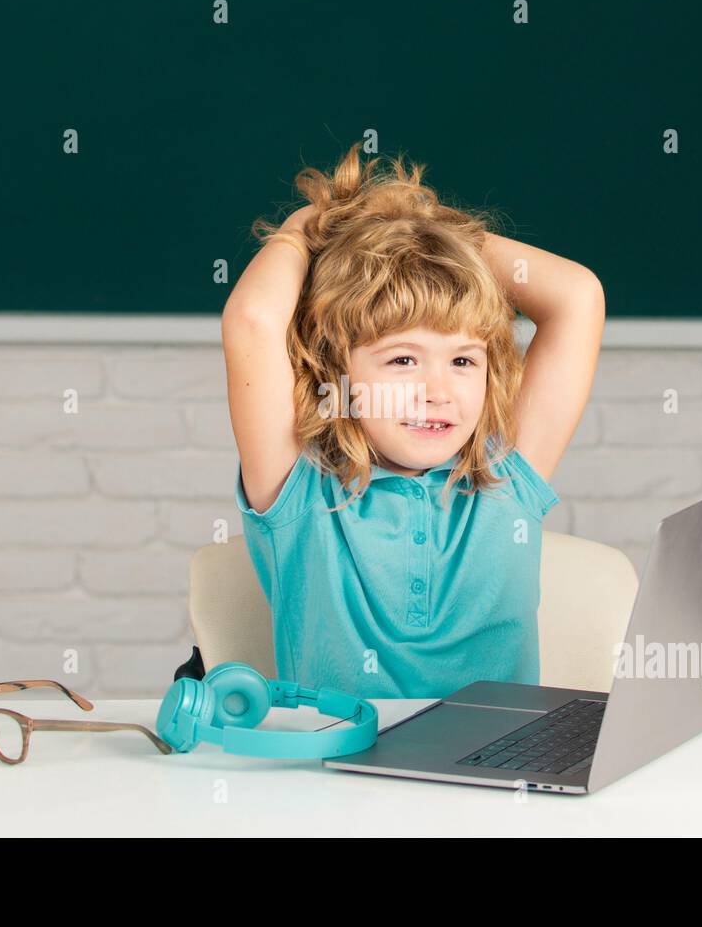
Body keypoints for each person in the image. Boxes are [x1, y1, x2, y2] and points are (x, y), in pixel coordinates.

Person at [221, 142, 604, 697]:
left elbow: (578, 295)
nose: (438, 392)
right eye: (403, 360)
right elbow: (254, 319)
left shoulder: (507, 482)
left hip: (493, 774)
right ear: (337, 374)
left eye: (463, 361)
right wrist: (312, 229)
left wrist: (417, 229)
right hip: (338, 775)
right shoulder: (297, 491)